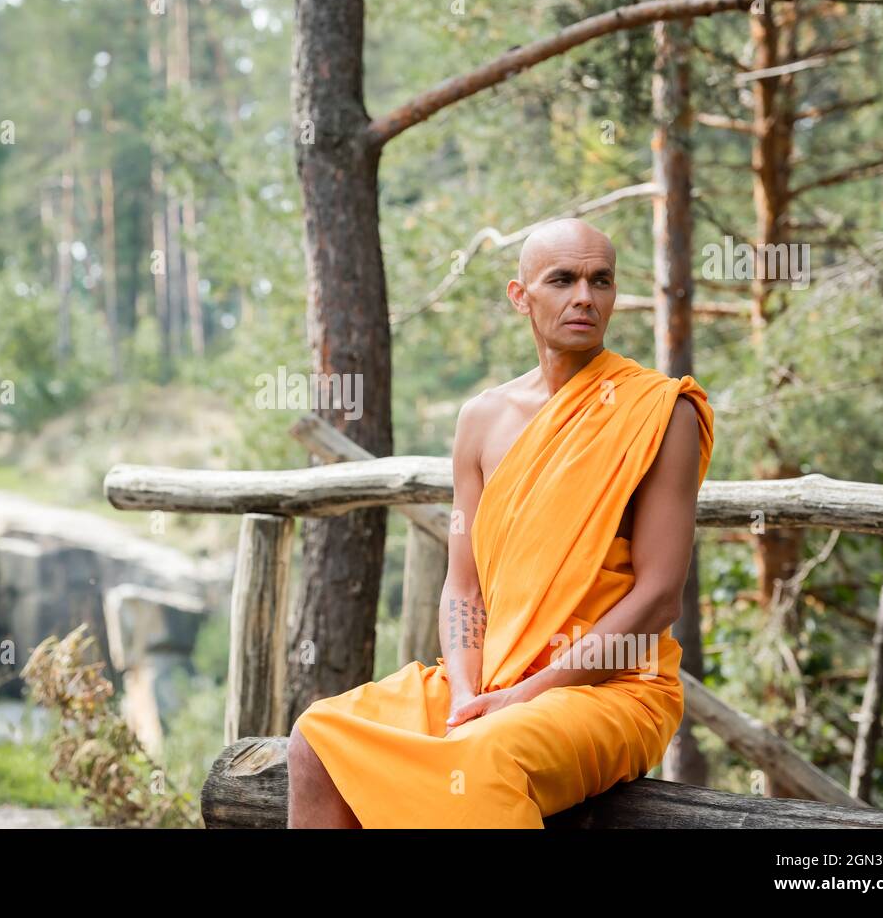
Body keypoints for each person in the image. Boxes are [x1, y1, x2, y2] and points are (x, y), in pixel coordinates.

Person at [287, 218, 714, 828]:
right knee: (318, 739)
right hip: (490, 676)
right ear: (522, 296)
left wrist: (524, 696)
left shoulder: (659, 412)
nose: (584, 299)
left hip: (614, 688)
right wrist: (465, 694)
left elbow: (657, 599)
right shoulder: (483, 420)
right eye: (562, 280)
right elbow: (463, 585)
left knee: (479, 756)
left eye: (601, 281)